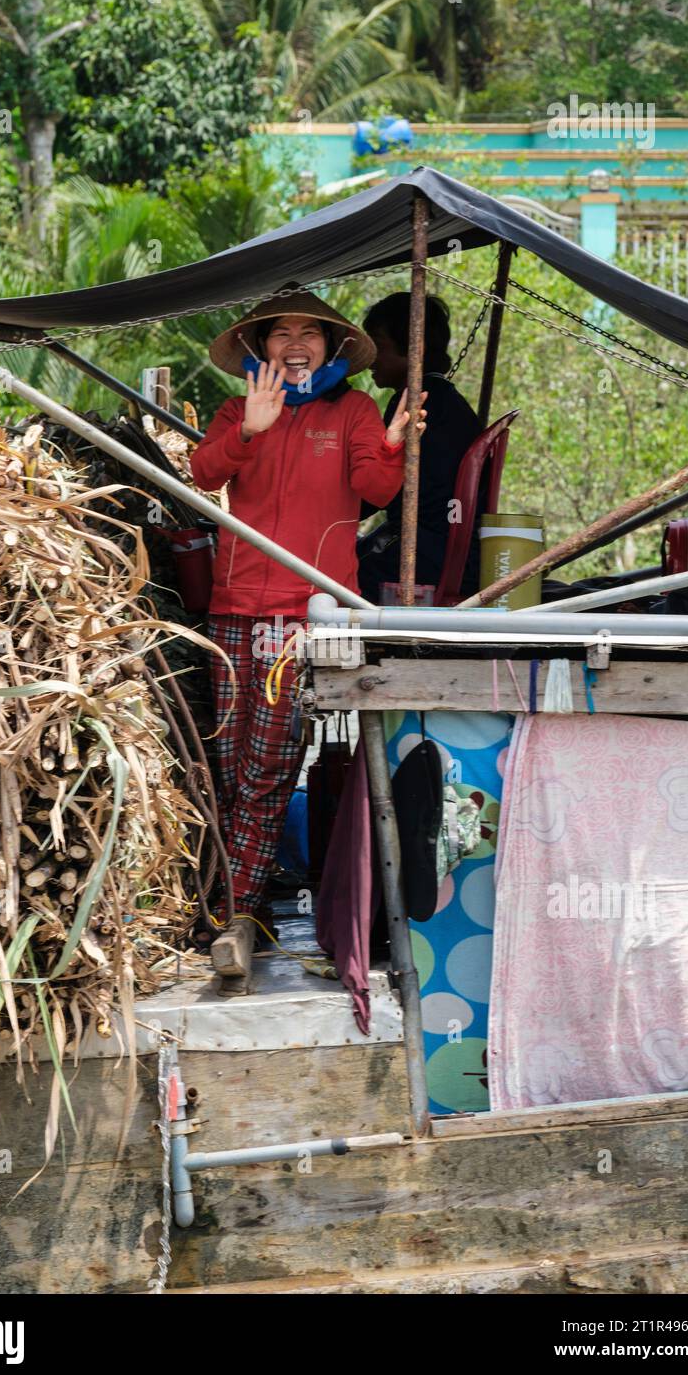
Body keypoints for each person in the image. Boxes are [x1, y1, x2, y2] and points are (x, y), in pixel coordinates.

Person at [189, 288, 425, 942]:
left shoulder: (351, 410)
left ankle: (233, 913)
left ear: (333, 346)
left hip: (304, 618)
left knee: (268, 767)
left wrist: (395, 445)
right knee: (231, 768)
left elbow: (376, 489)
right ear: (260, 346)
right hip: (234, 609)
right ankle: (248, 902)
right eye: (280, 334)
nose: (296, 345)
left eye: (310, 334)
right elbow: (204, 473)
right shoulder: (238, 408)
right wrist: (248, 432)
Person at [357, 292, 482, 603]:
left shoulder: (414, 404)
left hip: (424, 553)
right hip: (451, 551)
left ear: (414, 348)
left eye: (379, 346)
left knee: (334, 568)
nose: (371, 358)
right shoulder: (446, 400)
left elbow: (377, 493)